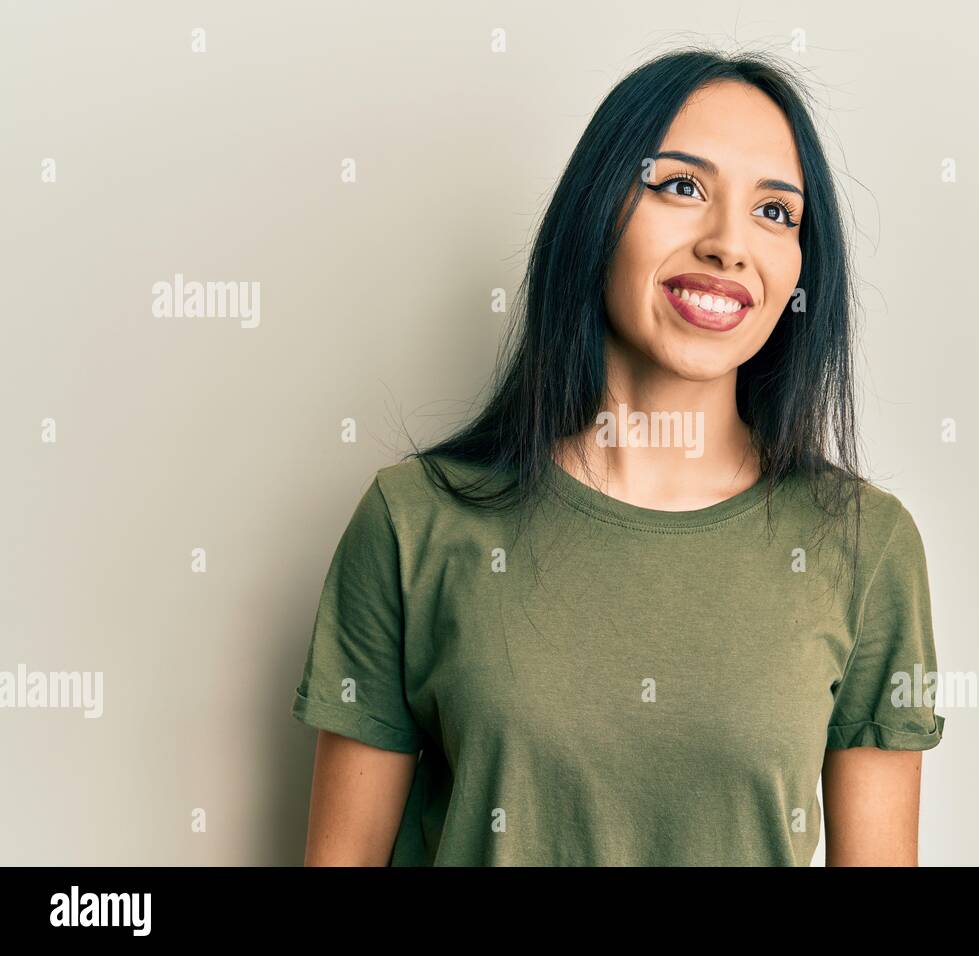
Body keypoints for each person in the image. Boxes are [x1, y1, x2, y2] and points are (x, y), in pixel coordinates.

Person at [290, 47, 944, 866]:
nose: (729, 245)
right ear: (598, 213)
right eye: (681, 187)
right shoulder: (413, 522)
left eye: (777, 212)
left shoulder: (864, 546)